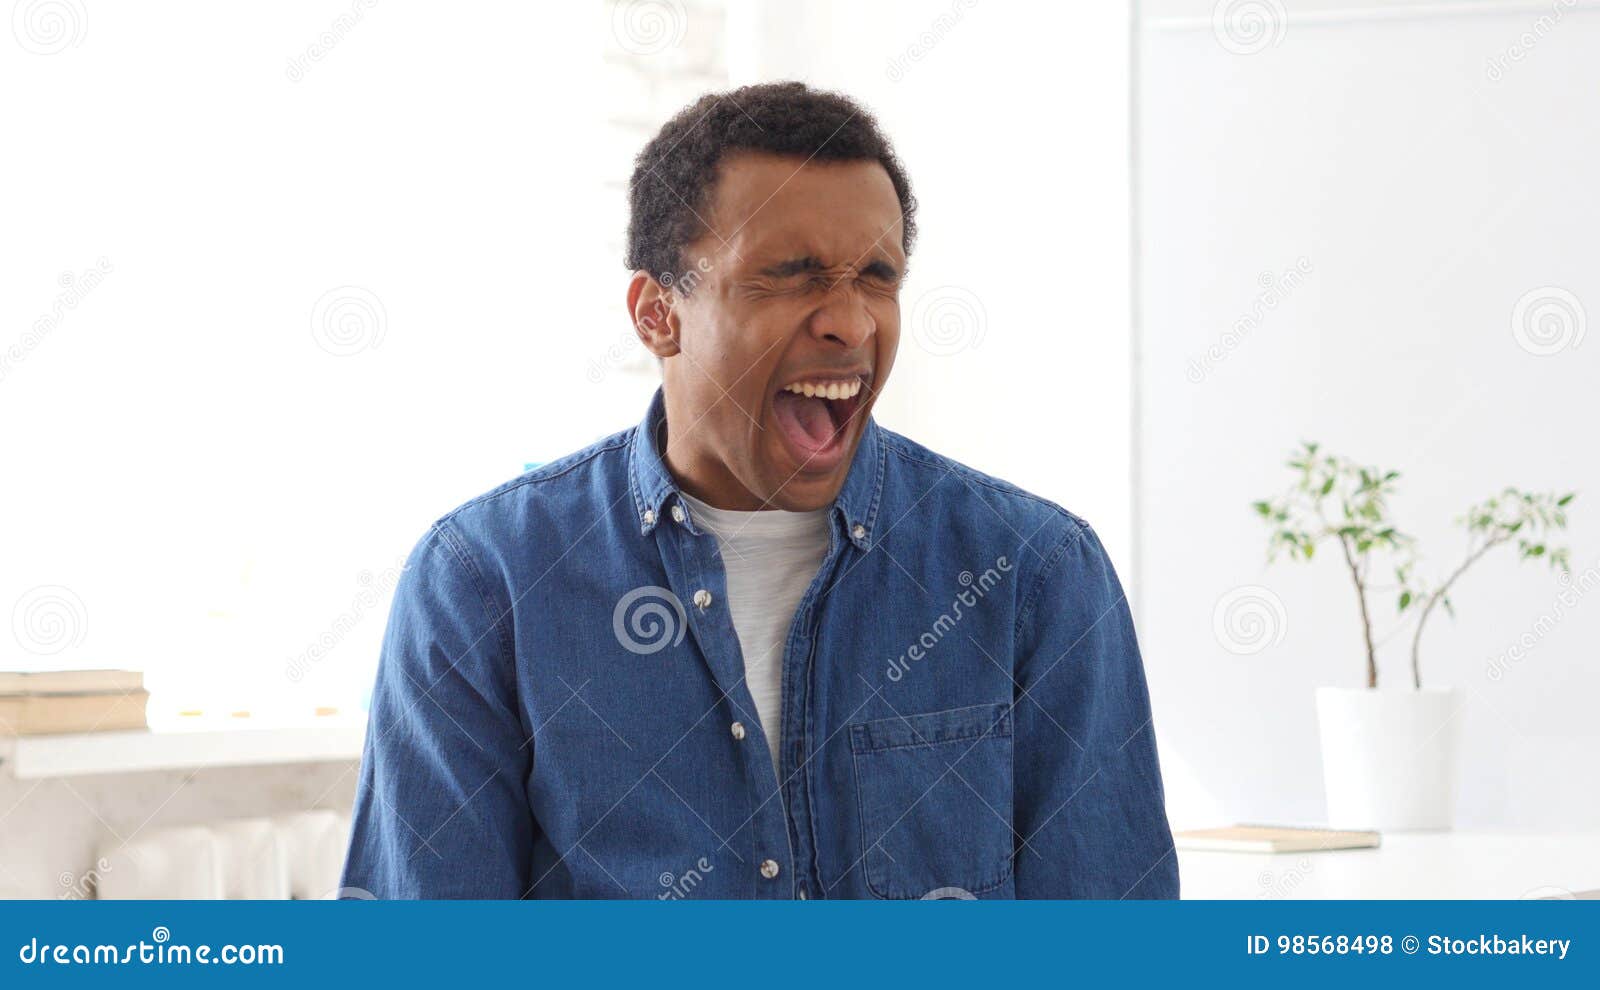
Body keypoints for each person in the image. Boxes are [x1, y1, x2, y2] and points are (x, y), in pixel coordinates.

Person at [341, 81, 1177, 899]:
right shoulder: (485, 581)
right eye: (791, 274)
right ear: (656, 313)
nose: (851, 322)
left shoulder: (1035, 573)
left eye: (877, 277)